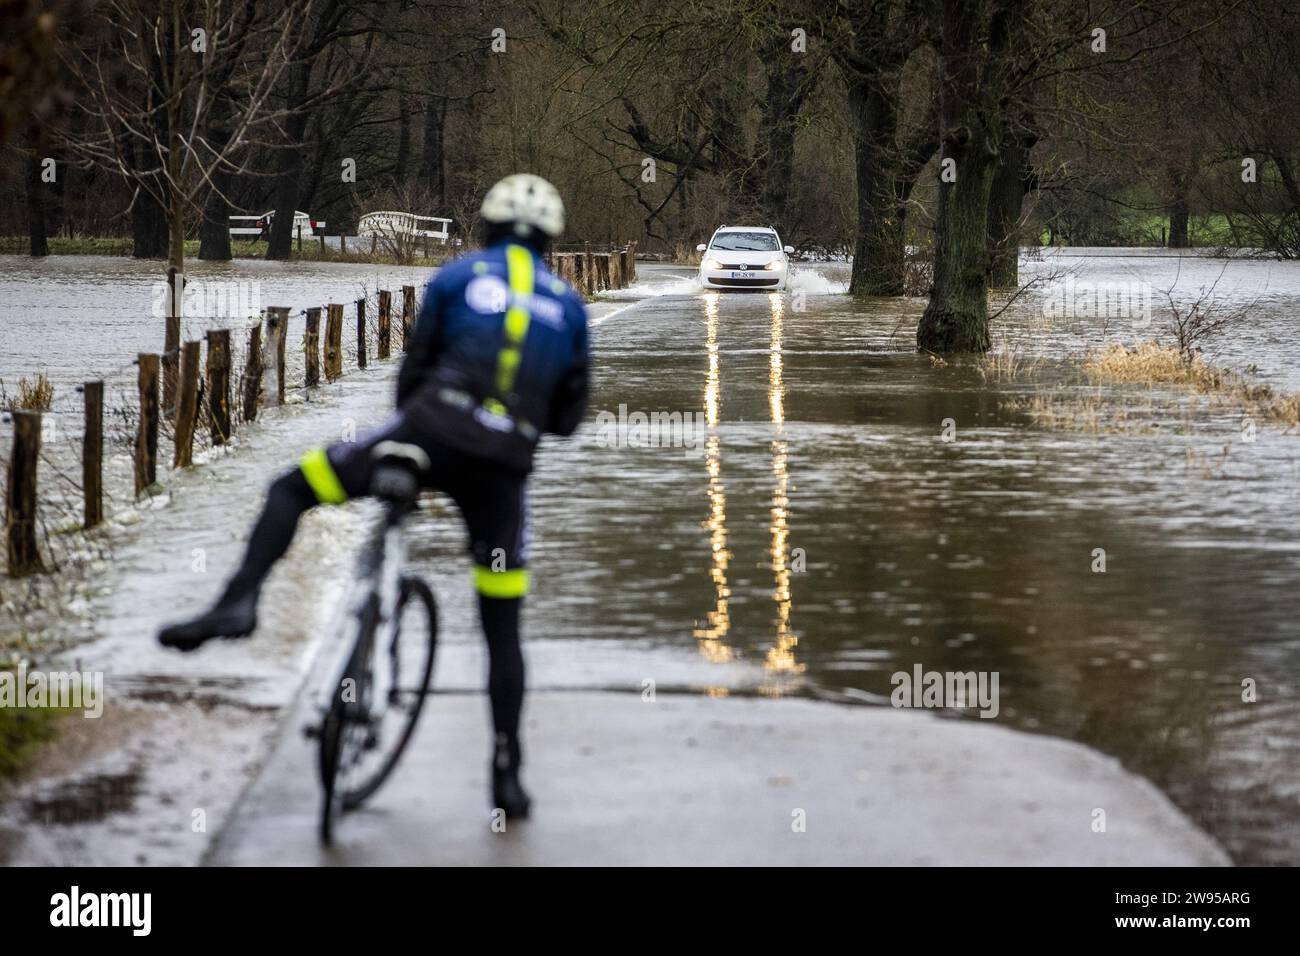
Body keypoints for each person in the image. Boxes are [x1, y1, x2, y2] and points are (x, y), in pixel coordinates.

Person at [157, 174, 590, 819]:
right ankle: (507, 772)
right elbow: (566, 419)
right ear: (550, 241)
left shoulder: (455, 278)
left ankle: (238, 602)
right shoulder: (570, 305)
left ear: (485, 228)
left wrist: (408, 448)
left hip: (429, 434)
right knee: (503, 629)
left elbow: (411, 376)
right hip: (501, 470)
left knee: (294, 486)